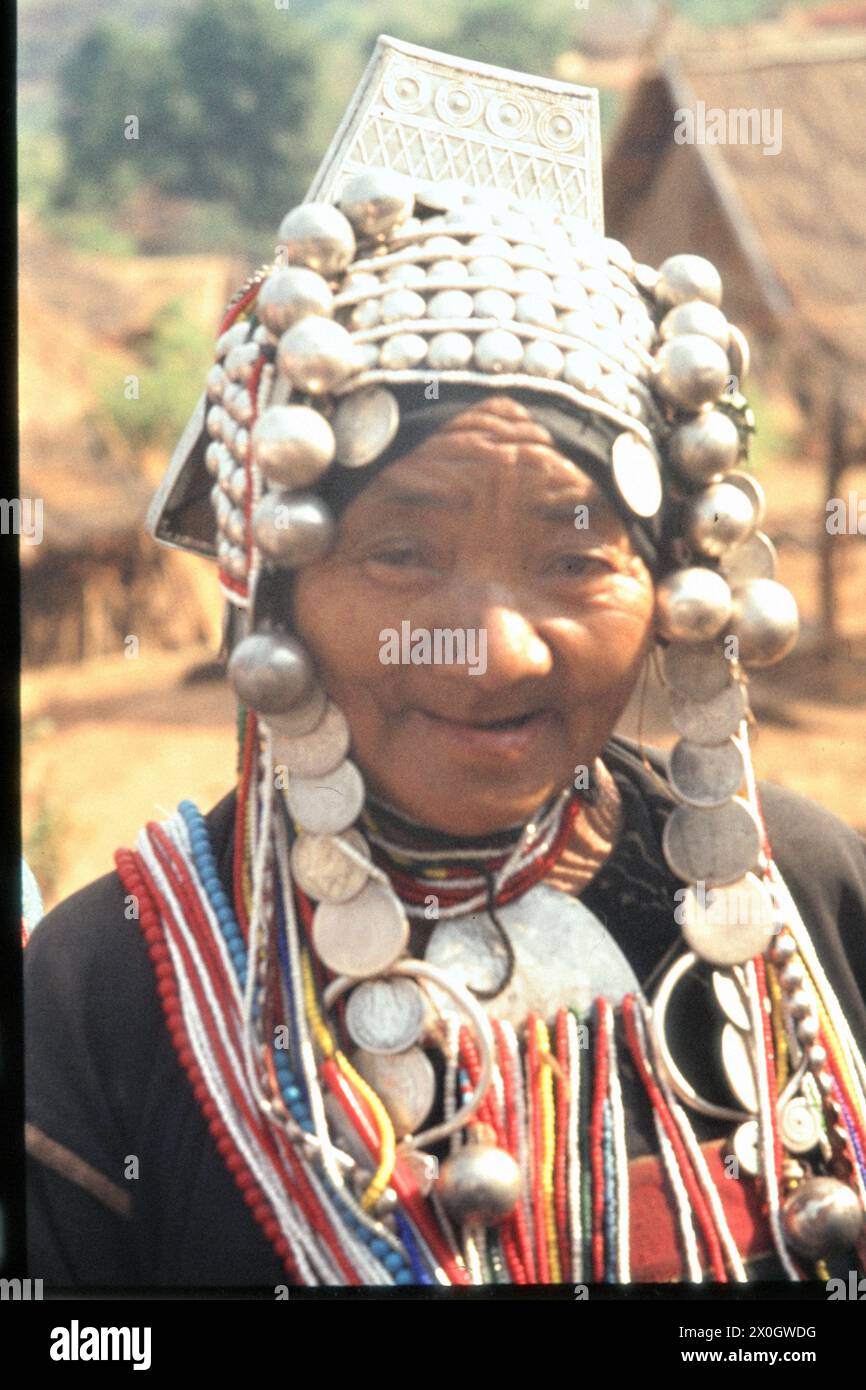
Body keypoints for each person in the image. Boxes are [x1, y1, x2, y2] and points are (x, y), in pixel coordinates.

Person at [25, 37, 866, 1289]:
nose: (492, 651)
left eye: (574, 561)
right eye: (403, 553)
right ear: (274, 585)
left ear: (671, 587)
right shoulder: (110, 990)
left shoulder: (799, 894)